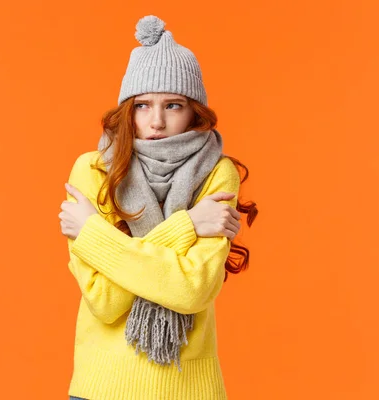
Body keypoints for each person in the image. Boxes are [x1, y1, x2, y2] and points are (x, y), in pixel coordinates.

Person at [59, 15, 258, 400]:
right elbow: (104, 301)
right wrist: (187, 226)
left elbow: (192, 290)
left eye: (173, 105)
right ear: (127, 110)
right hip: (101, 387)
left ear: (194, 112)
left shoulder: (218, 173)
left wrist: (93, 235)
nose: (156, 121)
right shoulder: (93, 170)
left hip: (189, 388)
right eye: (143, 105)